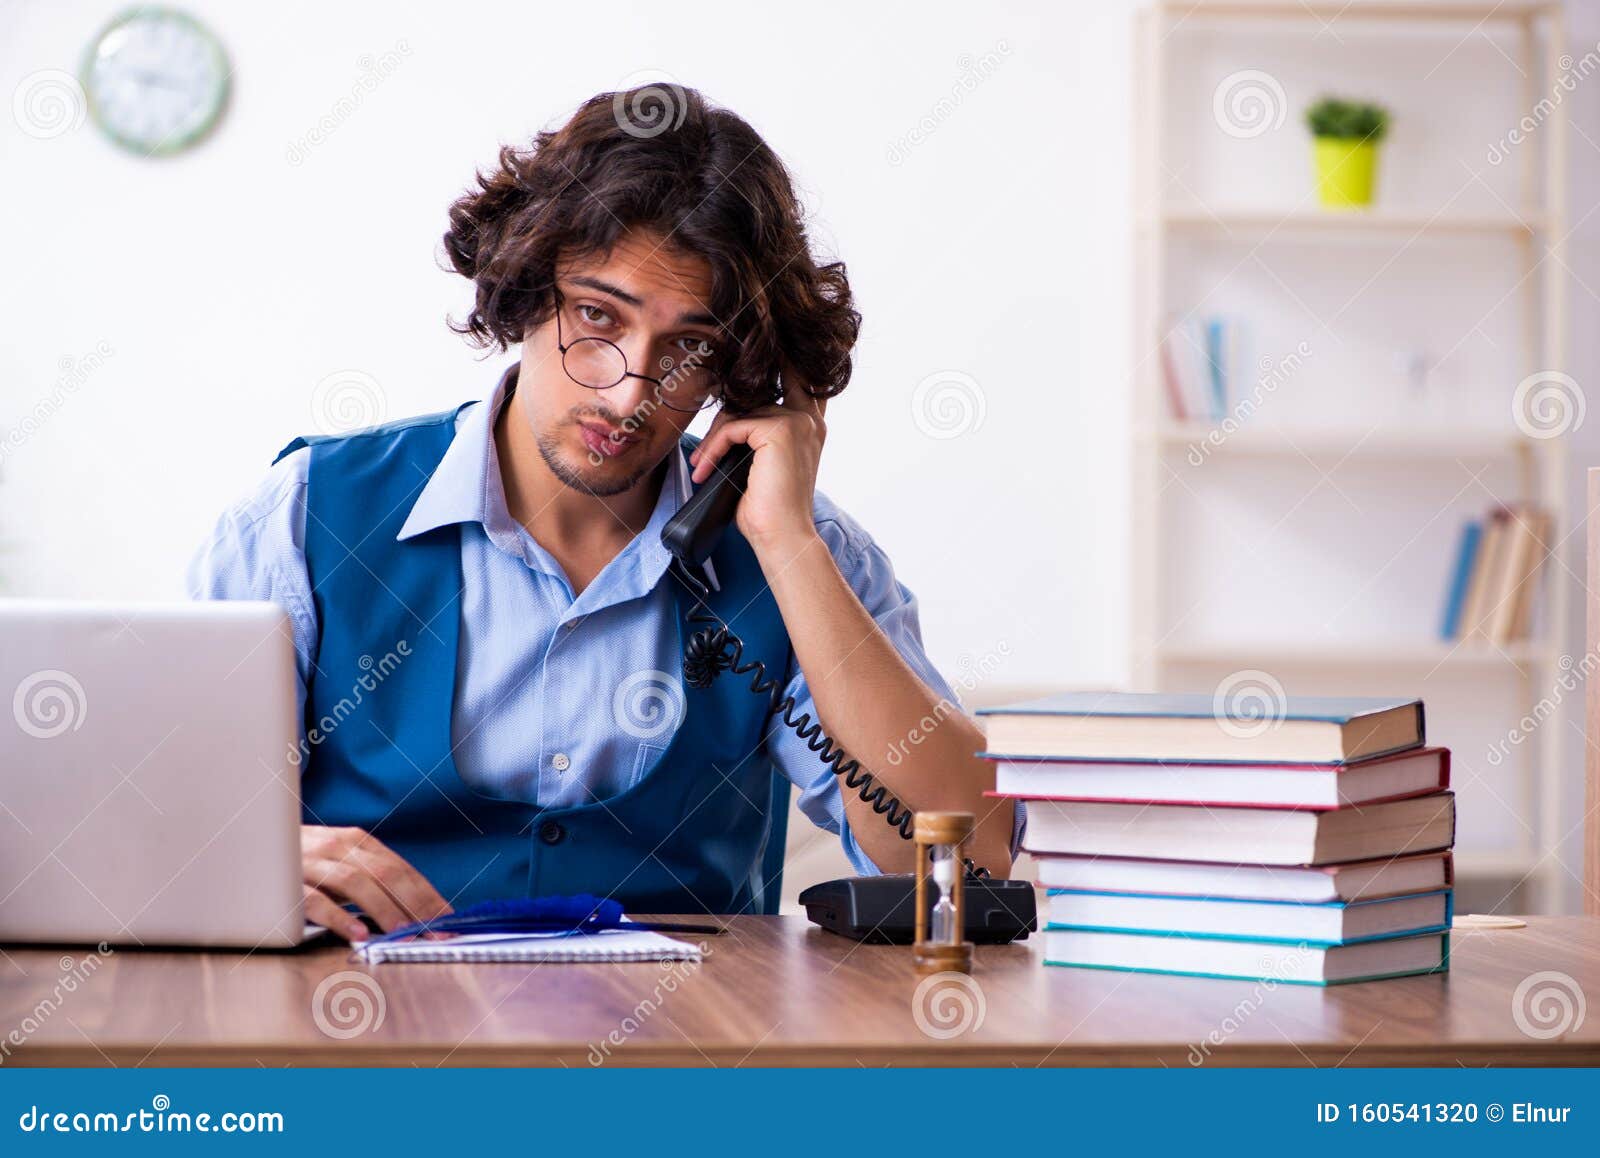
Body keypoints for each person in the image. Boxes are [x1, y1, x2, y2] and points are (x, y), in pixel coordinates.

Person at [189, 85, 1015, 942]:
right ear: (521, 289)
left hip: (686, 1055)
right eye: (596, 317)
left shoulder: (797, 549)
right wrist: (246, 863)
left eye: (689, 348)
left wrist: (787, 546)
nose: (630, 393)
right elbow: (162, 846)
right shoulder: (302, 521)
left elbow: (974, 863)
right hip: (362, 1046)